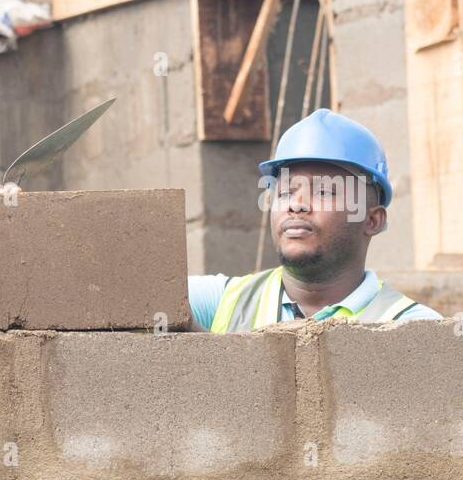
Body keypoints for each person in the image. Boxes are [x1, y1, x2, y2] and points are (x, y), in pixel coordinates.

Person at [189, 109, 441, 332]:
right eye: (285, 192)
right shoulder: (221, 302)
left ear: (372, 220)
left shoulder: (416, 328)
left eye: (324, 191)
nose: (296, 205)